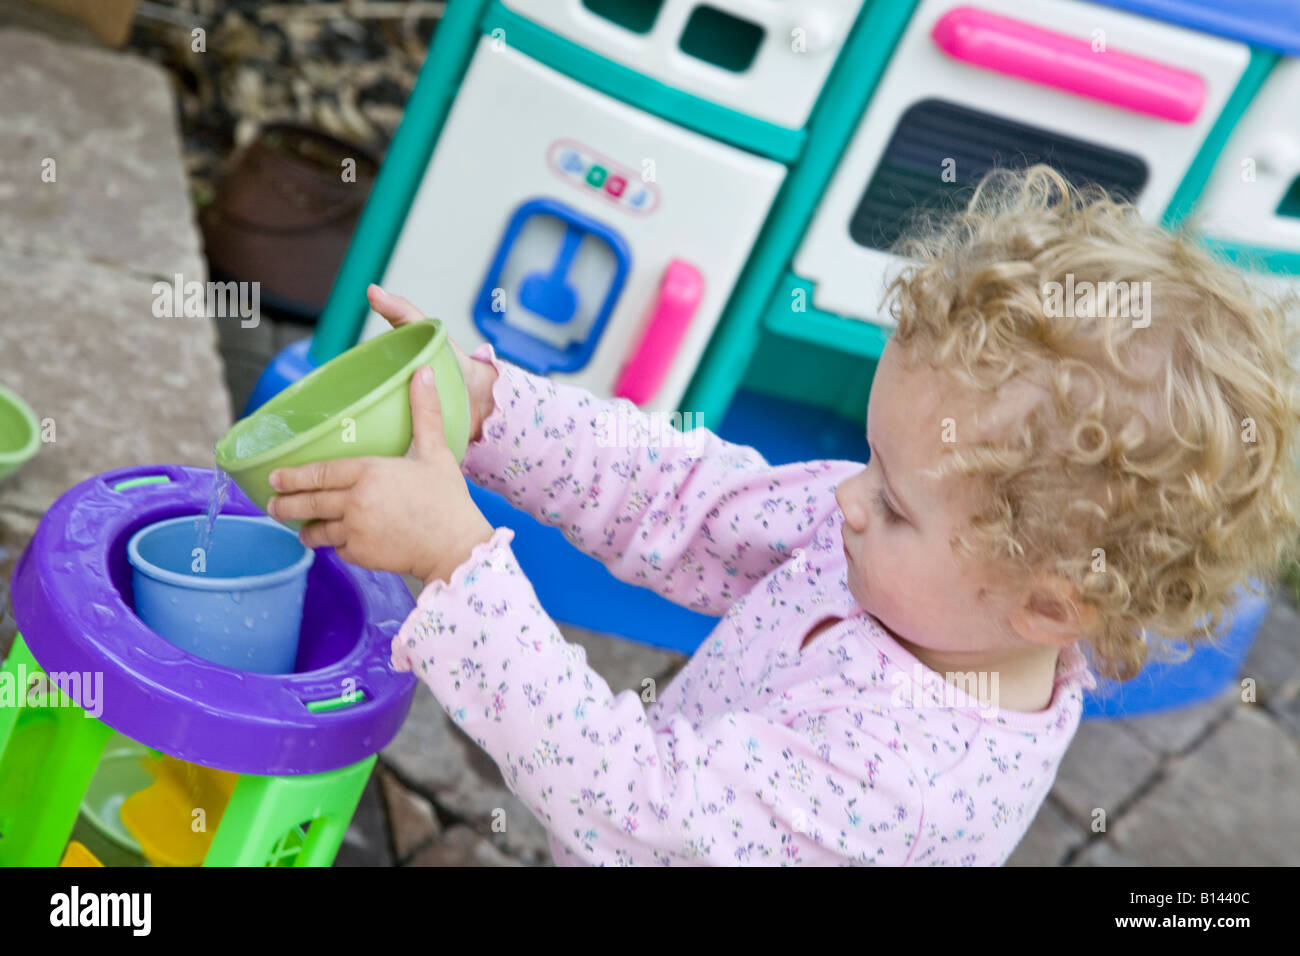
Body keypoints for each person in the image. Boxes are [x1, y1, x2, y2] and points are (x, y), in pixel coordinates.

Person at [266, 165, 1300, 865]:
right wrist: (490, 409)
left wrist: (454, 563)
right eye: (871, 460)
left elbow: (635, 810)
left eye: (893, 499)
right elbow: (688, 500)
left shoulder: (904, 771)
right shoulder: (924, 570)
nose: (845, 498)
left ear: (1047, 604)